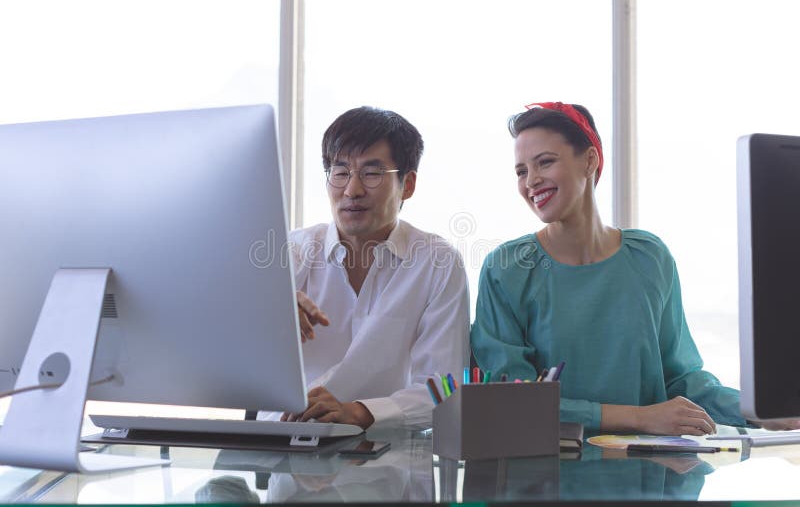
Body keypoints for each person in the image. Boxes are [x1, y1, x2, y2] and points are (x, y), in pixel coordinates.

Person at [470, 101, 800, 434]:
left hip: (652, 474)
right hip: (547, 476)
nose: (531, 181)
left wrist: (760, 412)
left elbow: (682, 380)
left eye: (545, 162)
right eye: (521, 171)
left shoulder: (649, 257)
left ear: (590, 161)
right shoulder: (507, 269)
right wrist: (639, 417)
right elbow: (513, 400)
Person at [259, 106, 469, 430]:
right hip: (282, 442)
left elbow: (443, 388)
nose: (352, 190)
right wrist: (264, 314)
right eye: (340, 172)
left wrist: (358, 413)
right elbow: (221, 351)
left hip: (387, 458)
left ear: (408, 184)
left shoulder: (437, 263)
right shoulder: (287, 253)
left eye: (371, 174)